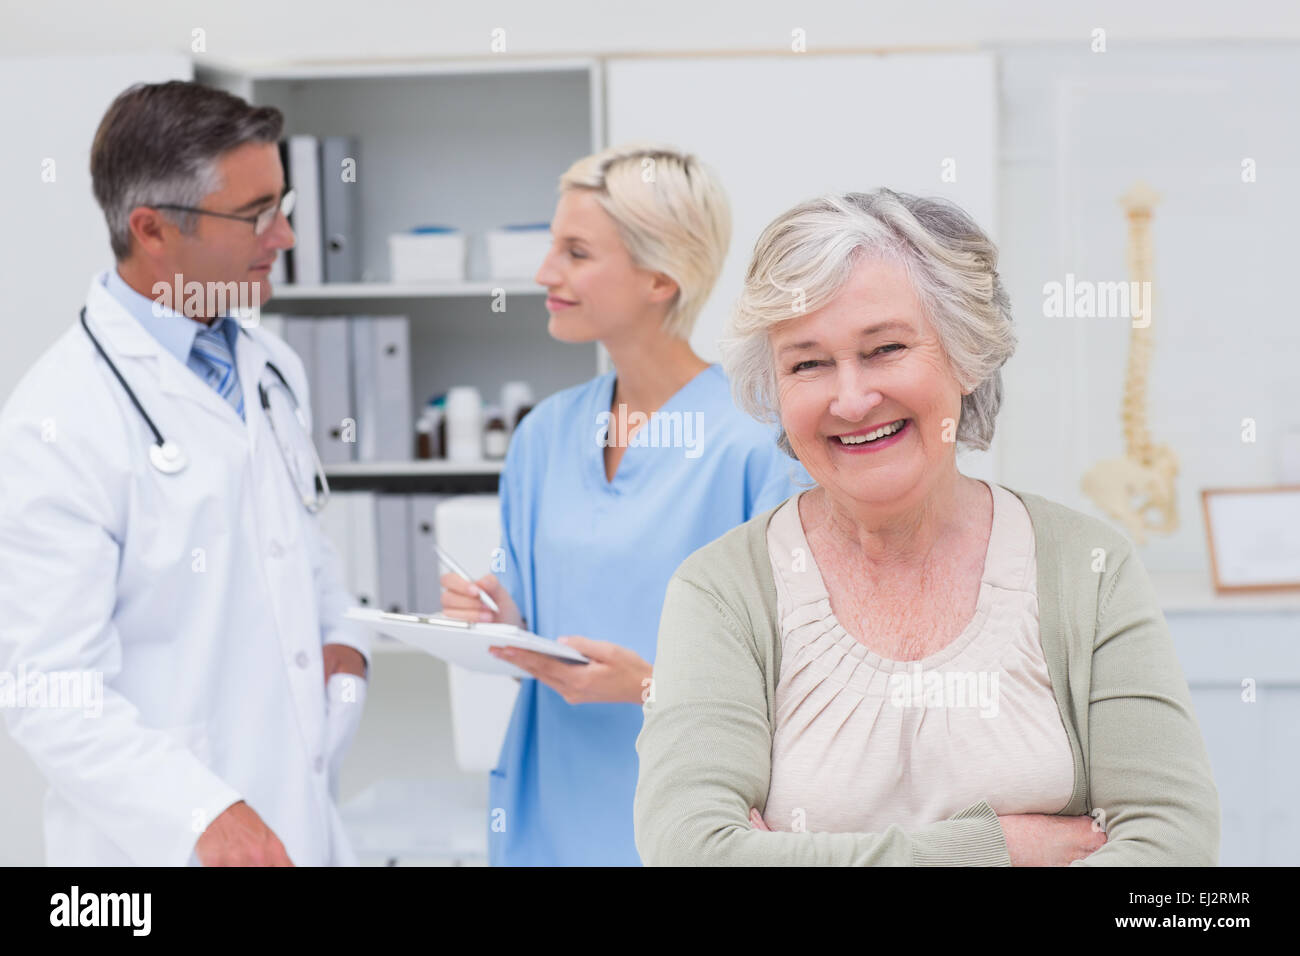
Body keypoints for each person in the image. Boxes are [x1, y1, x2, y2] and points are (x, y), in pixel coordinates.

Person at [634, 188, 1220, 865]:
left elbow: (1172, 848)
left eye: (884, 348)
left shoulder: (1088, 567)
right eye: (808, 363)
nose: (851, 399)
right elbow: (691, 853)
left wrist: (805, 854)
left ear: (966, 355)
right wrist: (992, 848)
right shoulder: (722, 591)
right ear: (776, 390)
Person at [0, 80, 369, 866]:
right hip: (155, 855)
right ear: (152, 229)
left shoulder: (271, 368)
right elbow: (51, 692)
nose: (288, 235)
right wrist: (202, 812)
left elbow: (301, 556)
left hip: (299, 824)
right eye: (257, 214)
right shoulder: (58, 421)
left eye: (285, 202)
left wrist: (344, 643)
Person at [439, 144, 808, 866]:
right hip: (550, 812)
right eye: (553, 247)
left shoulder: (759, 446)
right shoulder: (544, 434)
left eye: (576, 253)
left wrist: (646, 686)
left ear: (660, 277)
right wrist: (501, 619)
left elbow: (803, 681)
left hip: (690, 817)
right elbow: (536, 605)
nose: (546, 273)